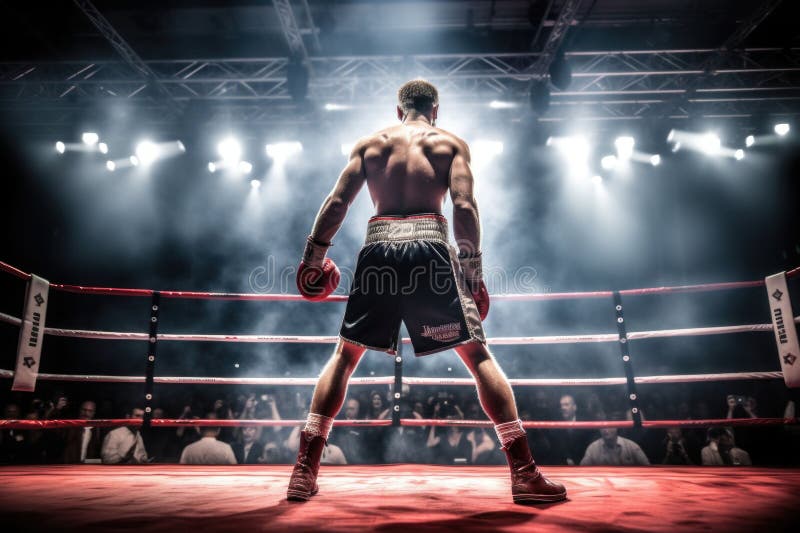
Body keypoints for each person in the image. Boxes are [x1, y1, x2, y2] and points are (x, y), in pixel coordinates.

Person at [287, 79, 565, 504]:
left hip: (378, 248)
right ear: (435, 109)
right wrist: (473, 272)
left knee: (344, 356)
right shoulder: (449, 143)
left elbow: (337, 202)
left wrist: (312, 259)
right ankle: (524, 474)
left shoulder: (370, 144)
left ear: (399, 111)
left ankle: (303, 473)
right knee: (477, 355)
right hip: (430, 249)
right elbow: (465, 206)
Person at [580, 427, 650, 466]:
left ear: (616, 427)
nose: (605, 430)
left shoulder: (631, 446)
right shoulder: (593, 448)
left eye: (609, 426)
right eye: (602, 427)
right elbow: (581, 469)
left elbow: (647, 467)